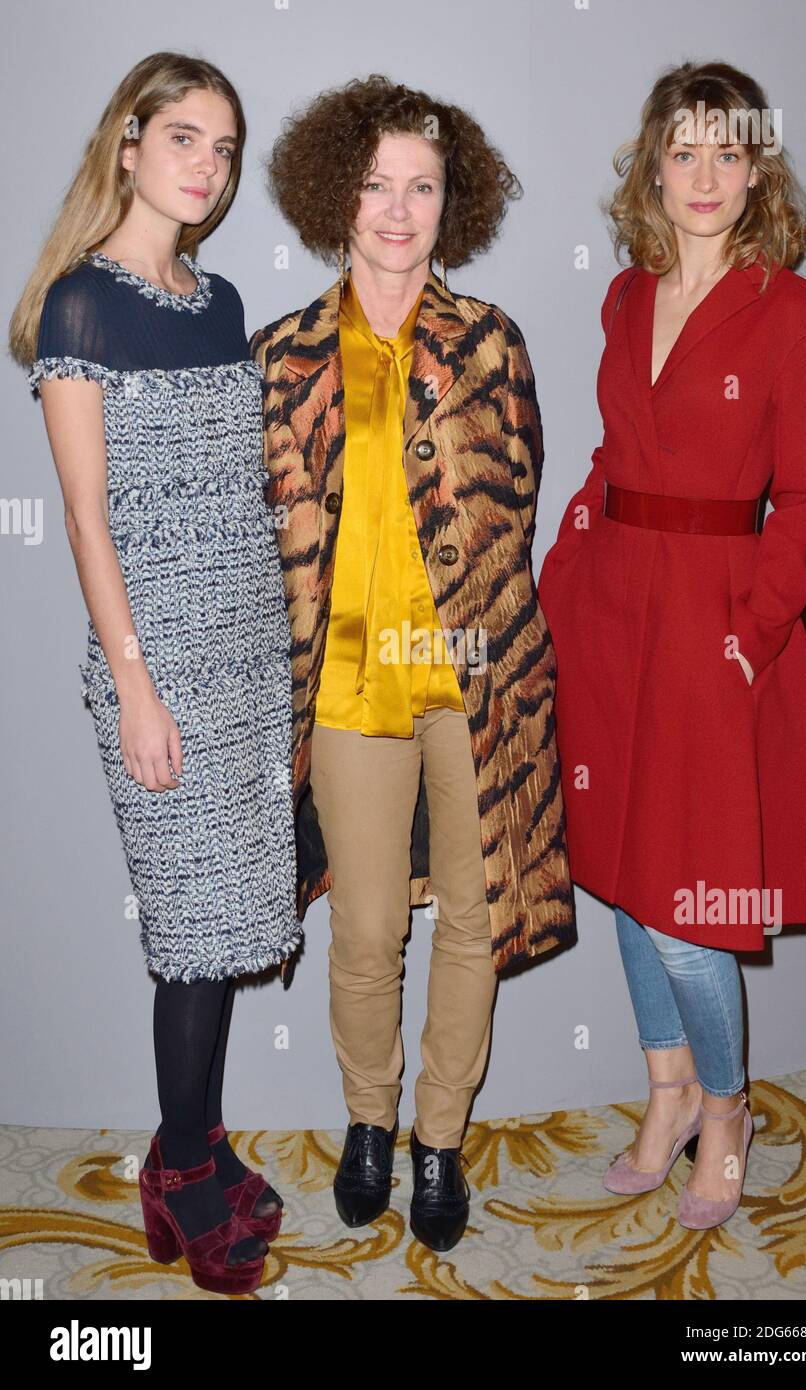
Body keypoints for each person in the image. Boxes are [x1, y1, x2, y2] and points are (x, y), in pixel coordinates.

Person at [250, 74, 576, 1252]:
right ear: (338, 196)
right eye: (377, 185)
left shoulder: (490, 342)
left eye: (421, 187)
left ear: (453, 203)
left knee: (475, 922)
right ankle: (369, 1122)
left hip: (474, 686)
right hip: (344, 689)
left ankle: (441, 1135)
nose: (397, 210)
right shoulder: (282, 357)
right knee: (365, 931)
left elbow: (516, 507)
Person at [537, 60, 806, 1229]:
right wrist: (555, 589)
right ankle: (663, 1093)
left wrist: (751, 636)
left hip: (714, 630)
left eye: (728, 151)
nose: (703, 175)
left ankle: (725, 1110)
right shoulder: (624, 295)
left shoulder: (797, 316)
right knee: (622, 876)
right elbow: (610, 459)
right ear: (650, 167)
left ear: (756, 166)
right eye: (683, 150)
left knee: (689, 906)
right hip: (612, 609)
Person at [10, 52, 301, 1295]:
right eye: (186, 137)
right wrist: (134, 683)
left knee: (229, 921)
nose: (208, 166)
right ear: (127, 144)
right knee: (188, 934)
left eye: (225, 147)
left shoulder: (221, 299)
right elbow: (85, 520)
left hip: (246, 649)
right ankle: (180, 1173)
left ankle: (202, 1140)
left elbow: (241, 492)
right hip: (157, 658)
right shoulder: (80, 304)